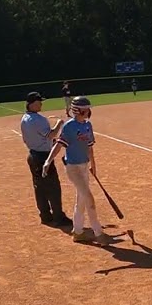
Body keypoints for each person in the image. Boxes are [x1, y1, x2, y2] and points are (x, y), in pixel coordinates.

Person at [42, 96, 105, 243]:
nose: (88, 111)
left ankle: (77, 232)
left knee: (82, 200)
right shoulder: (69, 126)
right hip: (73, 169)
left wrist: (93, 165)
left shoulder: (88, 125)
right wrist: (48, 160)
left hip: (84, 167)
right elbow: (59, 145)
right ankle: (99, 233)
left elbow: (90, 147)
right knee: (89, 199)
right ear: (78, 110)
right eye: (85, 109)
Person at [20, 92, 69, 227]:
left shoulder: (24, 118)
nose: (41, 104)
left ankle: (45, 216)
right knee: (53, 187)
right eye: (39, 102)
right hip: (43, 157)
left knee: (39, 187)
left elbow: (26, 139)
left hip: (33, 155)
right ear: (32, 103)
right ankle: (59, 217)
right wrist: (59, 123)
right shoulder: (39, 119)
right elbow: (51, 135)